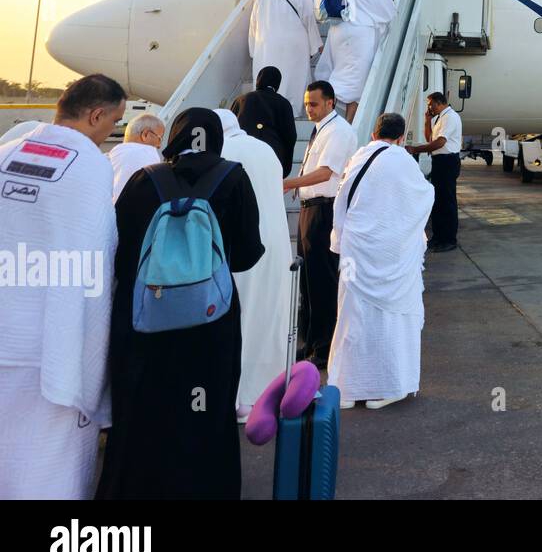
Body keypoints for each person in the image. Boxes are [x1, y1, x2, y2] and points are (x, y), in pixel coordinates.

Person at [97, 108, 264, 500]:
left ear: (175, 136)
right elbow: (245, 253)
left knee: (145, 403)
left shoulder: (144, 178)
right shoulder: (233, 177)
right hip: (209, 319)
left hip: (147, 317)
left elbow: (119, 249)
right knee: (204, 403)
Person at [0, 75, 125, 499]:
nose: (112, 131)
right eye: (114, 122)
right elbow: (96, 260)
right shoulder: (89, 167)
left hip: (7, 336)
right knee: (46, 469)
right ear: (96, 115)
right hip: (53, 351)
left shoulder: (7, 152)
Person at [328, 112, 433, 409]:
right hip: (392, 254)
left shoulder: (358, 158)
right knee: (390, 320)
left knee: (352, 316)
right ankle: (387, 387)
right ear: (400, 138)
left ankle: (346, 388)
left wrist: (339, 242)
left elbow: (341, 203)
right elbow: (424, 197)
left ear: (374, 134)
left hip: (356, 251)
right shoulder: (403, 160)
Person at [214, 110, 292, 420]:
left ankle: (238, 397)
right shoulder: (266, 149)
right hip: (275, 244)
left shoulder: (223, 150)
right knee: (270, 316)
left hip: (242, 246)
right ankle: (270, 393)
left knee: (240, 317)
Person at [282, 81, 357, 369]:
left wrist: (290, 183)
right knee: (308, 282)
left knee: (322, 283)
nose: (308, 109)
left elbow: (326, 173)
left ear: (330, 102)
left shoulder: (338, 131)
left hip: (323, 210)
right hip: (310, 209)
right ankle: (312, 342)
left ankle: (323, 348)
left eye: (313, 104)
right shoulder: (322, 129)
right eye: (306, 104)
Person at [315, 0, 396, 123]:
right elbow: (388, 15)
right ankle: (347, 123)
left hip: (338, 30)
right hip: (362, 35)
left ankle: (330, 119)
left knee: (338, 74)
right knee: (356, 85)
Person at [249, 0, 320, 117]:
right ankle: (292, 112)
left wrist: (254, 48)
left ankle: (267, 111)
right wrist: (316, 45)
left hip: (267, 47)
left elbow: (253, 25)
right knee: (294, 78)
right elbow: (309, 22)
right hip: (295, 47)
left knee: (270, 78)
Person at [407, 91, 462, 253]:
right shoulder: (440, 118)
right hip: (439, 161)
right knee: (438, 201)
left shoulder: (450, 117)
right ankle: (438, 237)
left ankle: (449, 239)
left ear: (439, 102)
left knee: (447, 202)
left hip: (447, 161)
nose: (429, 108)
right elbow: (430, 139)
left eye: (430, 104)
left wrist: (415, 149)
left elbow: (439, 143)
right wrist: (427, 121)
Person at [231, 67, 298, 178]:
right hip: (272, 156)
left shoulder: (241, 100)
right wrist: (285, 163)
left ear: (258, 80)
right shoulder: (283, 103)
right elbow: (290, 136)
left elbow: (230, 126)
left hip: (242, 154)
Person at [108, 113, 164, 201]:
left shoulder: (111, 154)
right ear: (145, 134)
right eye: (160, 138)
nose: (159, 145)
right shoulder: (148, 152)